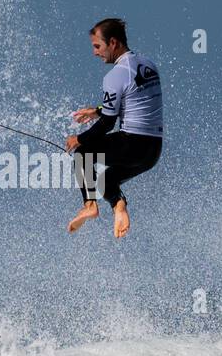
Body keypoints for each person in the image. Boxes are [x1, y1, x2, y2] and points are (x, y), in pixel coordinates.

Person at [66, 18, 163, 237]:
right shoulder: (147, 64)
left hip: (132, 143)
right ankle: (119, 206)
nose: (95, 52)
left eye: (97, 46)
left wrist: (79, 139)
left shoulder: (115, 75)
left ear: (113, 42)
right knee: (104, 179)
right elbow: (134, 98)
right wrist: (98, 109)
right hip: (152, 152)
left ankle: (90, 206)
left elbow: (108, 124)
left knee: (83, 155)